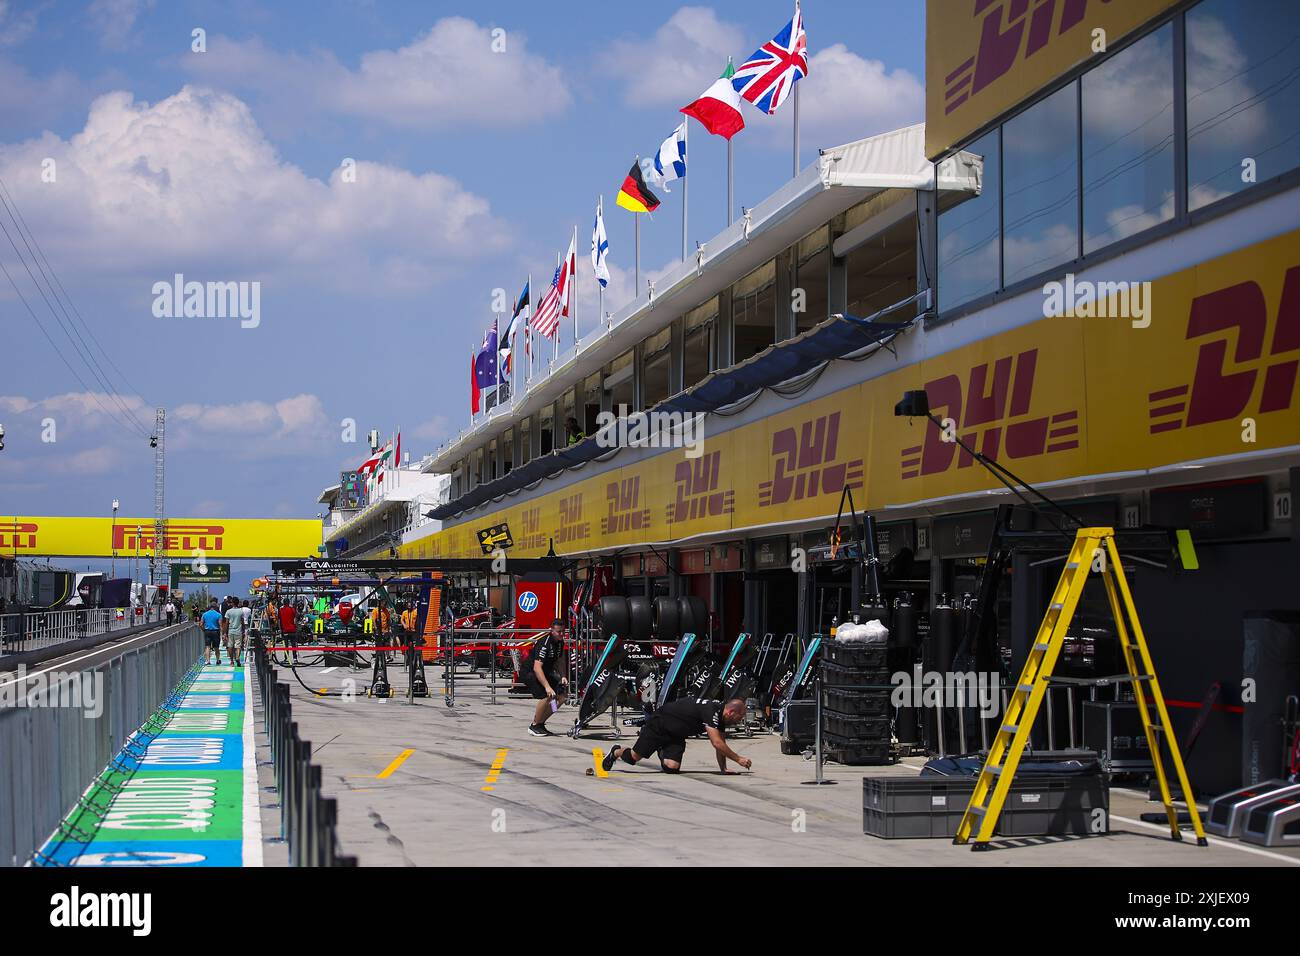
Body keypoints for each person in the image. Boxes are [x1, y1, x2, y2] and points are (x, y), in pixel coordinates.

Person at [601, 697, 752, 775]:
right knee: (634, 757)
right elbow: (717, 743)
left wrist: (723, 768)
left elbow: (722, 744)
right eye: (739, 718)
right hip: (659, 724)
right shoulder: (711, 710)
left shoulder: (721, 715)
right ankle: (616, 752)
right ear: (731, 712)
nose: (738, 722)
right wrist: (739, 759)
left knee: (672, 768)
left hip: (676, 733)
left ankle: (662, 750)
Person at [524, 619, 569, 737]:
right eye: (558, 631)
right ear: (552, 631)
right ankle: (534, 725)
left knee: (561, 698)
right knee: (546, 696)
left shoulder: (560, 642)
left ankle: (541, 722)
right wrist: (547, 687)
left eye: (563, 631)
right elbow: (537, 667)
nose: (561, 634)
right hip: (531, 672)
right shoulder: (544, 643)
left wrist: (563, 675)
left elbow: (560, 660)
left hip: (546, 672)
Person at [225, 598, 250, 666]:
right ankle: (237, 657)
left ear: (232, 603)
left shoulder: (228, 611)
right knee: (238, 646)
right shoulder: (240, 611)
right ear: (238, 603)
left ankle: (232, 661)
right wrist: (244, 631)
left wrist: (225, 633)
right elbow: (242, 622)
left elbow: (227, 623)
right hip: (238, 631)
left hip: (230, 631)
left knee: (230, 646)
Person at [201, 599, 224, 665]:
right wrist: (222, 634)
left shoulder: (205, 614)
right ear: (215, 607)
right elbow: (220, 625)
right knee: (216, 647)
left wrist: (204, 630)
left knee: (207, 647)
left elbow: (201, 624)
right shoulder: (218, 615)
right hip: (215, 631)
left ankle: (208, 661)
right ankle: (218, 660)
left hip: (207, 631)